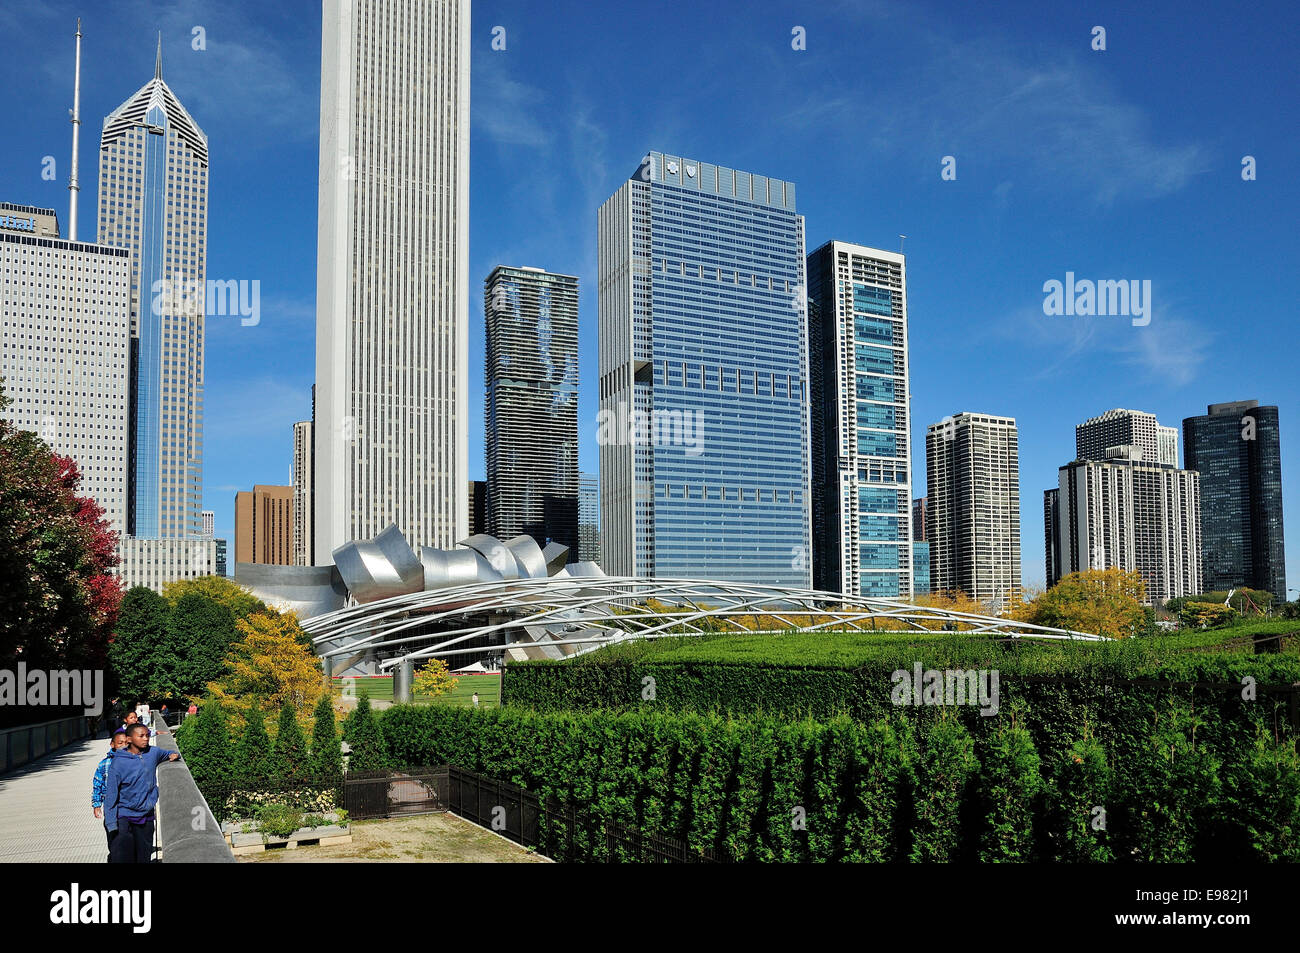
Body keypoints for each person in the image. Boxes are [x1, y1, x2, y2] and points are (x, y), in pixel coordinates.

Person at [104, 722, 181, 864]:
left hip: (146, 816)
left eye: (147, 735)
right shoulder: (118, 763)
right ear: (129, 739)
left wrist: (173, 755)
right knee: (124, 857)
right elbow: (111, 796)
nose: (146, 738)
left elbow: (168, 753)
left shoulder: (153, 752)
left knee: (143, 857)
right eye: (141, 736)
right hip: (124, 817)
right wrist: (111, 825)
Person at [92, 730, 129, 860]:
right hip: (111, 808)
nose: (124, 745)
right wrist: (96, 805)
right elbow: (98, 785)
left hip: (128, 806)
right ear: (112, 744)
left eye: (126, 743)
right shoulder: (104, 764)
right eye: (120, 743)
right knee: (113, 836)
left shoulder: (133, 760)